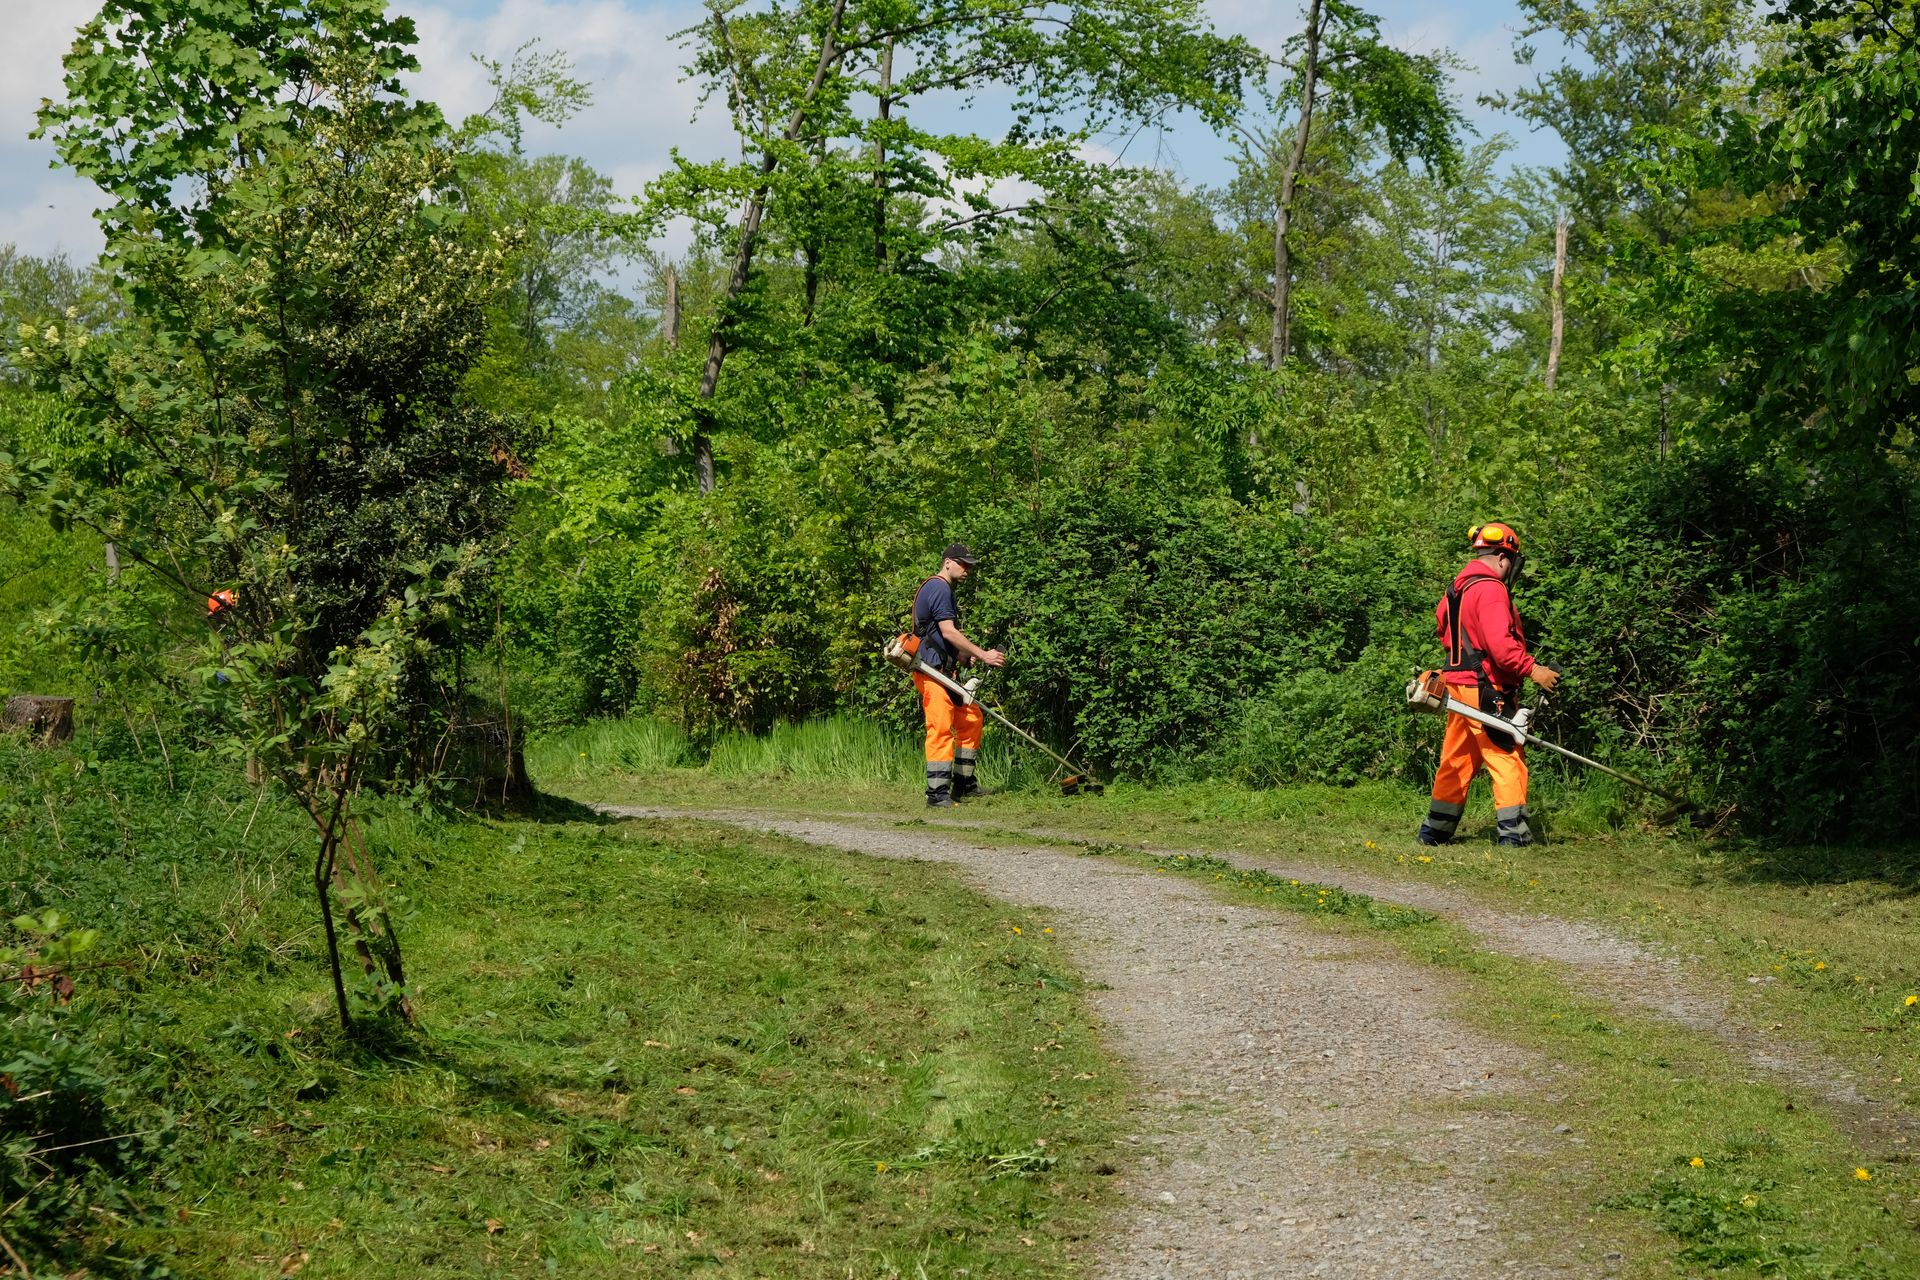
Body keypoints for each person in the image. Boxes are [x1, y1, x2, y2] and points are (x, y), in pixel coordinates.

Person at [1418, 522, 1560, 847]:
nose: (1510, 568)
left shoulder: (1456, 588)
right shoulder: (1492, 589)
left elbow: (1443, 628)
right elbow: (1500, 645)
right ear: (1501, 557)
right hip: (1485, 689)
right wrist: (1533, 670)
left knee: (1456, 761)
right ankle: (1514, 836)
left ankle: (1434, 832)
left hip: (1457, 687)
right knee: (1506, 754)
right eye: (1510, 561)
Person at [912, 543, 1005, 806]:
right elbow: (949, 631)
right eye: (963, 564)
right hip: (931, 672)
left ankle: (963, 784)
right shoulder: (939, 587)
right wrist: (984, 654)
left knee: (971, 718)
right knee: (940, 728)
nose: (968, 570)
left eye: (970, 566)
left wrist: (963, 655)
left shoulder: (943, 588)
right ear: (948, 562)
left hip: (945, 671)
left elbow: (941, 635)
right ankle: (937, 794)